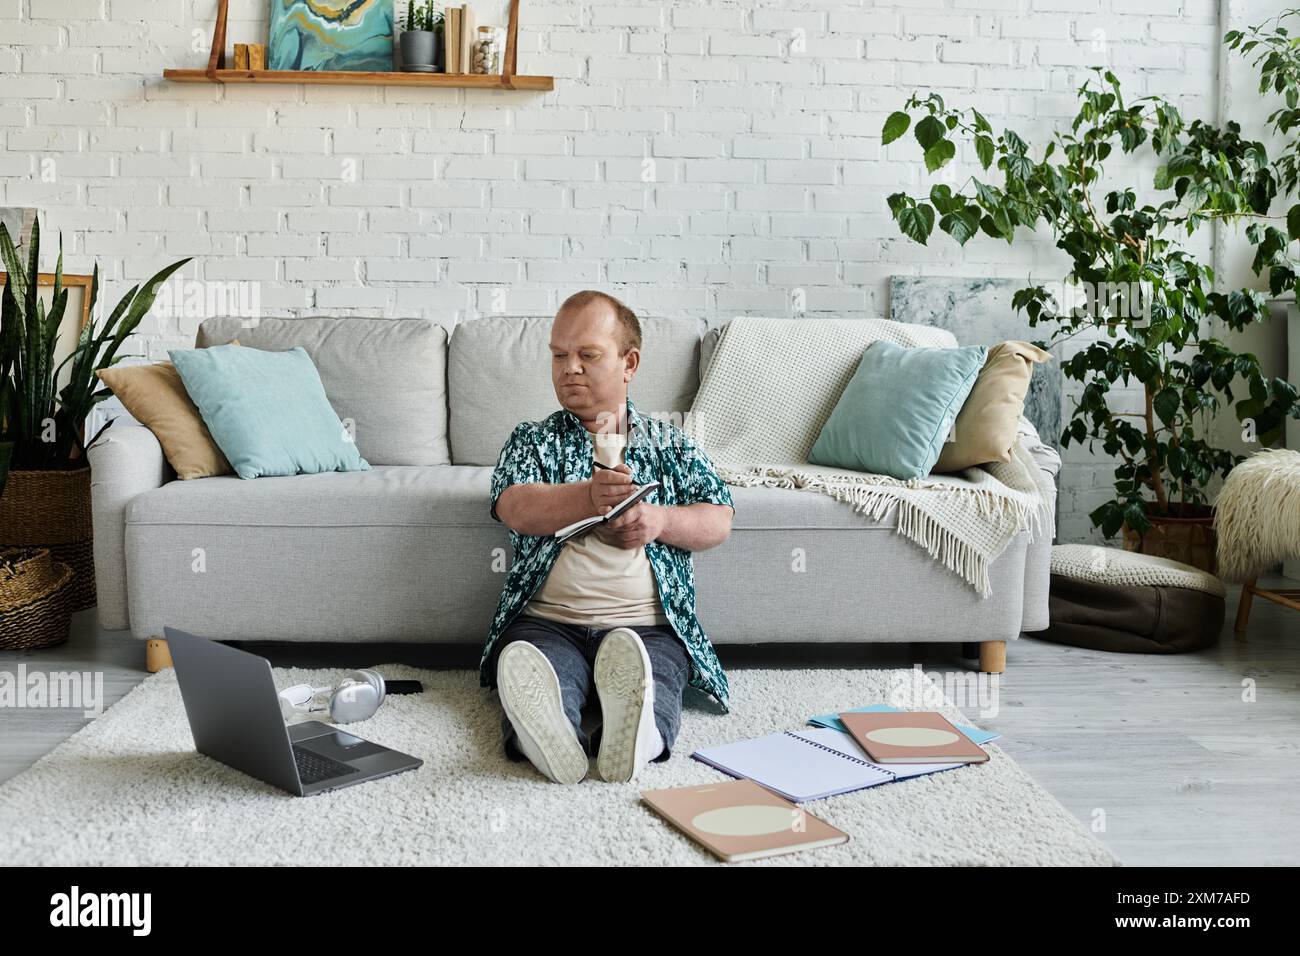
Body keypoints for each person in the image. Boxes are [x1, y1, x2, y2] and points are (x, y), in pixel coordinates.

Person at [482, 290, 734, 784]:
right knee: (535, 671)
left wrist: (658, 522)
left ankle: (640, 734)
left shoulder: (670, 442)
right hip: (547, 622)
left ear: (629, 363)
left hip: (647, 626)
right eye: (558, 355)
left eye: (587, 355)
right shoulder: (532, 438)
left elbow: (718, 518)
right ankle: (549, 730)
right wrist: (588, 497)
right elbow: (513, 506)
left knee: (653, 675)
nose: (569, 368)